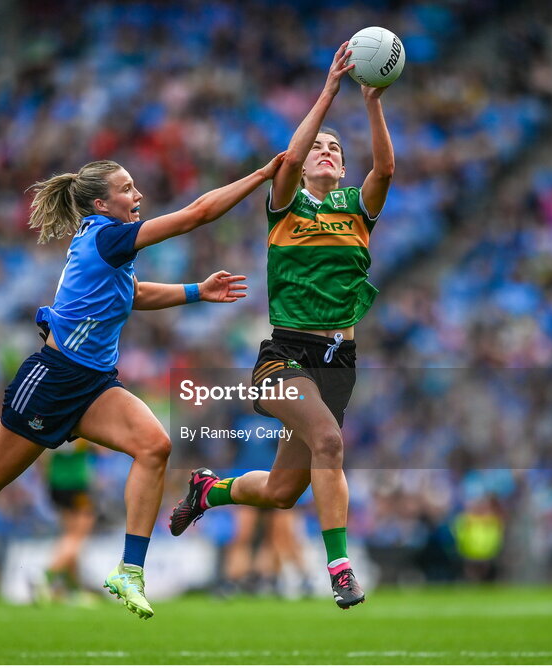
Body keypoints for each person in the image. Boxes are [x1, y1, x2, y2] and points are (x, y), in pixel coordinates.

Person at [0, 151, 285, 619]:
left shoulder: (108, 244)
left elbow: (134, 293)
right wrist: (262, 174)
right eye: (127, 188)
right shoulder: (109, 238)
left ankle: (129, 570)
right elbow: (197, 214)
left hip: (94, 384)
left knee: (155, 445)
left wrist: (196, 291)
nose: (138, 194)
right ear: (101, 205)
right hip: (52, 379)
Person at [169, 41, 395, 609]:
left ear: (343, 167)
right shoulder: (287, 204)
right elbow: (288, 161)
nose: (323, 151)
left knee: (278, 492)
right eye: (317, 144)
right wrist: (329, 92)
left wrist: (372, 103)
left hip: (338, 362)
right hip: (285, 356)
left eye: (333, 149)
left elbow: (386, 167)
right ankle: (340, 568)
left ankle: (208, 490)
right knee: (328, 440)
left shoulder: (356, 208)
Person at [40, 439, 96, 604]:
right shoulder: (79, 419)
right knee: (76, 538)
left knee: (68, 535)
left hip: (56, 483)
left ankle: (74, 590)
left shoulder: (53, 419)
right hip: (77, 483)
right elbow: (101, 448)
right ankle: (45, 577)